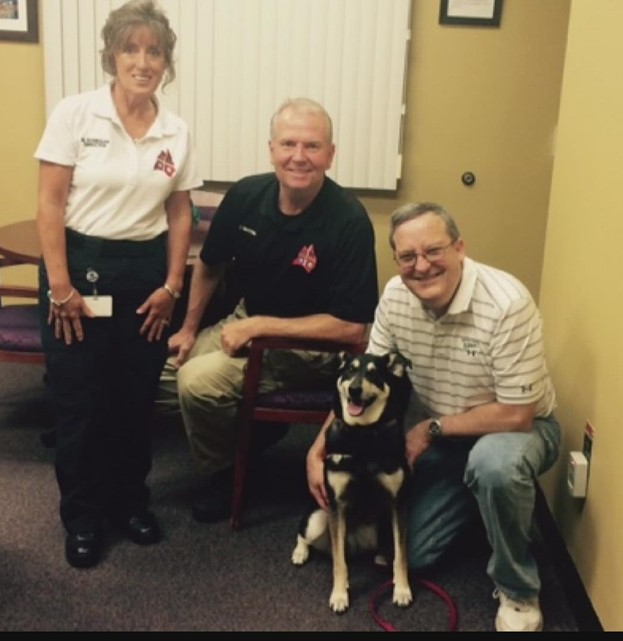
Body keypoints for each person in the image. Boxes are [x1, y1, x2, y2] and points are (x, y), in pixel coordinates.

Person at [305, 202, 562, 632]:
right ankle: (492, 512)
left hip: (515, 433)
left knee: (494, 466)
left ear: (459, 247)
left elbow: (518, 414)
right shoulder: (395, 295)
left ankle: (518, 589)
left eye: (434, 251)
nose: (421, 266)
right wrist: (319, 449)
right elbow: (361, 385)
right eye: (407, 256)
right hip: (443, 441)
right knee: (412, 554)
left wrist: (430, 428)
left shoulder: (508, 304)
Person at [33, 0, 201, 569]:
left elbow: (182, 215)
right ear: (111, 55)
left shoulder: (176, 130)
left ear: (167, 62)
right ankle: (81, 518)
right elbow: (50, 205)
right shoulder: (76, 114)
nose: (143, 60)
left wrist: (173, 285)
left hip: (146, 283)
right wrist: (60, 287)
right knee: (80, 404)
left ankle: (130, 502)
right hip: (76, 276)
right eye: (131, 48)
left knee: (133, 402)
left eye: (154, 50)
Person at [162, 97, 379, 524]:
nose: (299, 157)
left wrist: (261, 326)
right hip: (249, 321)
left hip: (312, 346)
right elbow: (209, 265)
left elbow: (354, 328)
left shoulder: (349, 220)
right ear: (271, 149)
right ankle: (256, 431)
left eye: (313, 147)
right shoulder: (246, 194)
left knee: (196, 383)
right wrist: (189, 329)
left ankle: (225, 473)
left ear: (331, 155)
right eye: (289, 144)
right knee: (156, 382)